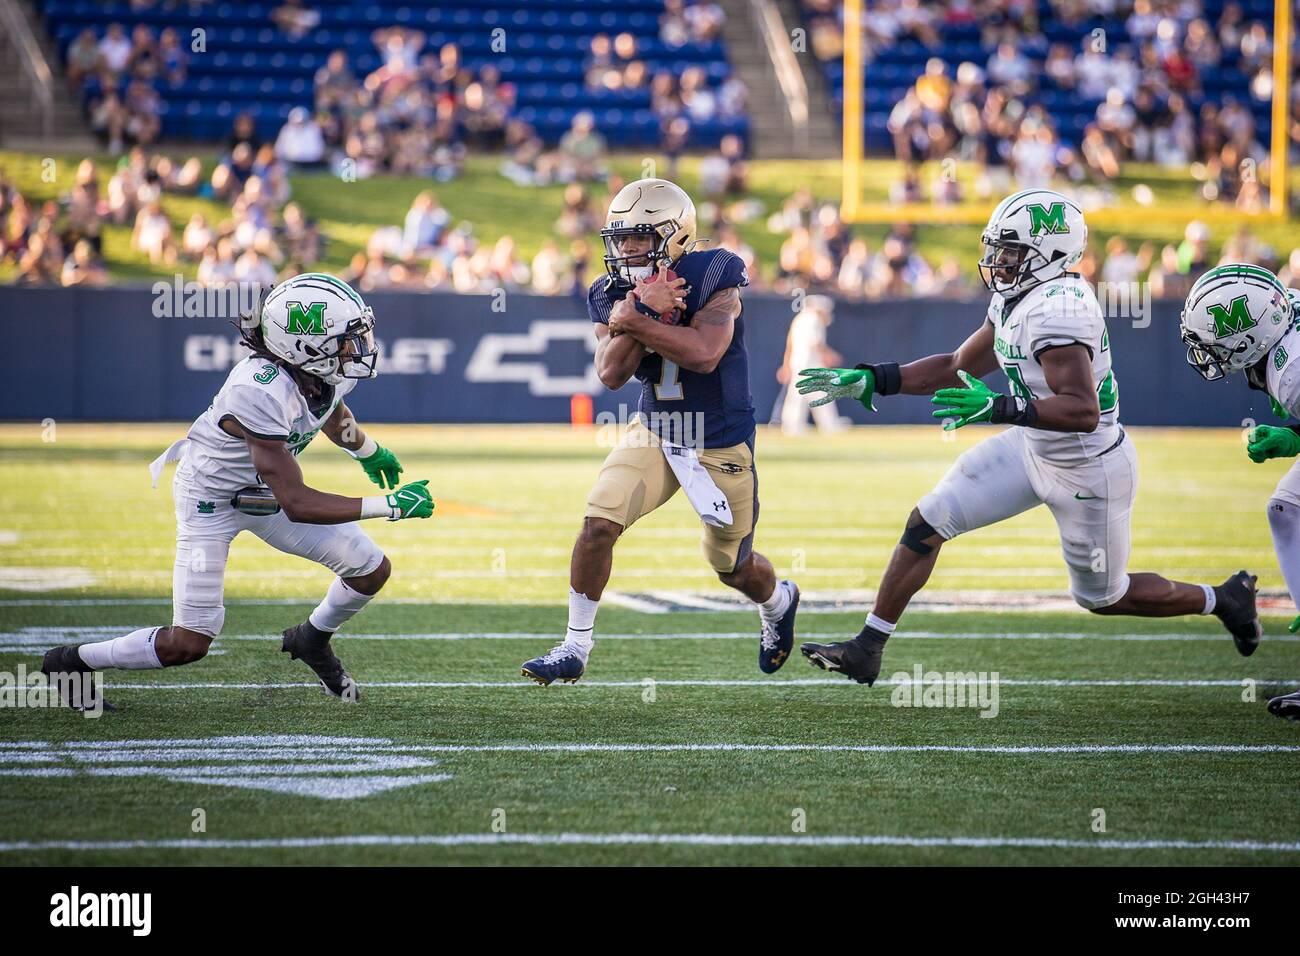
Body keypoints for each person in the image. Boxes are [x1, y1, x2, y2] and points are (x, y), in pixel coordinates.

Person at [794, 188, 1261, 685]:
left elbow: (1082, 410)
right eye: (998, 248)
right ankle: (868, 648)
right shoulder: (1018, 297)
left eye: (1012, 250)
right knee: (928, 520)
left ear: (1051, 255)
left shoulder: (1059, 311)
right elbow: (956, 366)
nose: (998, 261)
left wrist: (999, 406)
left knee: (1103, 597)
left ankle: (1224, 598)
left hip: (1087, 465)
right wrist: (876, 378)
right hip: (1032, 446)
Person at [40, 274, 434, 709]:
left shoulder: (323, 371)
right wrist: (390, 507)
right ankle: (70, 661)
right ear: (305, 345)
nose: (357, 348)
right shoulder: (258, 389)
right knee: (188, 643)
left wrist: (368, 450)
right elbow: (298, 503)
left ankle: (311, 640)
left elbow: (328, 409)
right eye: (347, 339)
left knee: (369, 568)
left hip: (264, 492)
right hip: (212, 500)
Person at [520, 179, 800, 684]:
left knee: (731, 566)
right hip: (657, 430)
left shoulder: (714, 273)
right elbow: (610, 374)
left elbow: (704, 352)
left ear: (673, 237)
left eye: (638, 239)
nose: (625, 251)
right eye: (620, 239)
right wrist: (643, 308)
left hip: (719, 438)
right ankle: (574, 646)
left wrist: (638, 318)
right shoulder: (610, 291)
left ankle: (779, 601)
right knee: (598, 523)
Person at [1179, 263, 1300, 719]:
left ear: (1248, 337)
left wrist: (1295, 437)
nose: (1204, 351)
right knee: (1286, 509)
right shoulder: (1281, 322)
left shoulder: (1293, 370)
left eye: (1210, 341)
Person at [779, 295, 844, 435]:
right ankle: (828, 424)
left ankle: (793, 425)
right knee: (819, 392)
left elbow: (789, 344)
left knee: (799, 394)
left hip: (799, 362)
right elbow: (815, 343)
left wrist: (786, 364)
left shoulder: (799, 319)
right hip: (810, 363)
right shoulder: (812, 319)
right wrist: (829, 355)